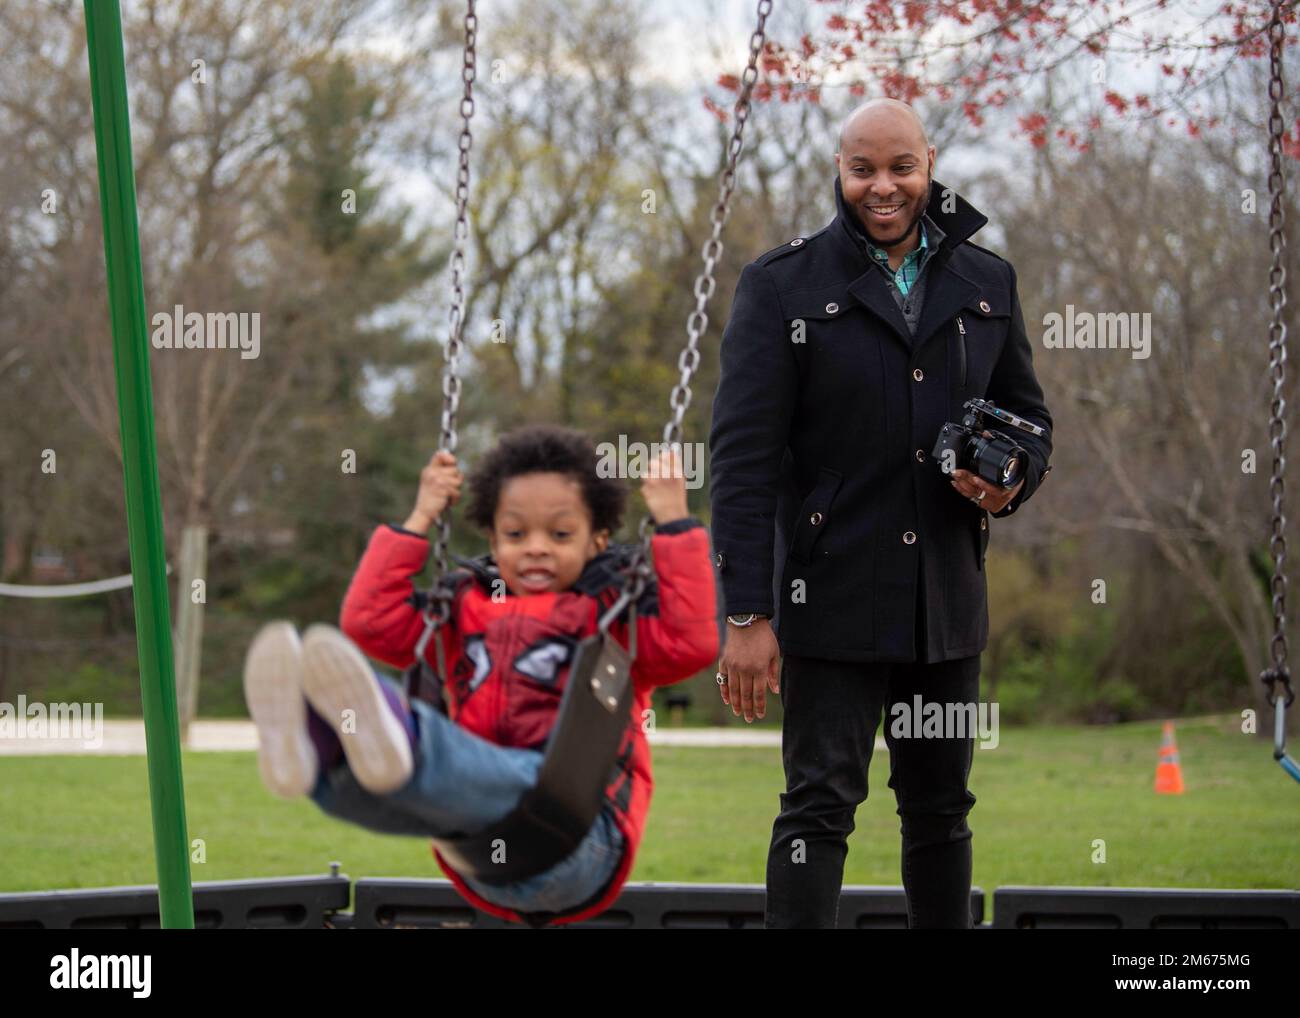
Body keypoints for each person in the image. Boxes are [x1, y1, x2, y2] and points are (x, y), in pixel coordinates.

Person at [708, 98, 1053, 929]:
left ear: (929, 162)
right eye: (862, 169)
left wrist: (1015, 478)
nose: (882, 187)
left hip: (946, 603)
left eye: (900, 167)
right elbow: (742, 467)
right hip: (826, 603)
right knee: (817, 810)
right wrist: (748, 614)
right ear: (839, 169)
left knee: (941, 811)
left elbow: (1029, 418)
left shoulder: (987, 280)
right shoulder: (781, 285)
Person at [244, 424, 719, 926]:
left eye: (560, 534)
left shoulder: (613, 614)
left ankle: (400, 734)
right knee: (376, 787)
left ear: (598, 540)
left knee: (489, 772)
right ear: (492, 538)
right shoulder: (462, 608)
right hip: (479, 858)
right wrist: (421, 515)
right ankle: (316, 755)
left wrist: (674, 523)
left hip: (579, 839)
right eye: (516, 534)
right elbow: (369, 622)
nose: (536, 547)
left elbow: (691, 643)